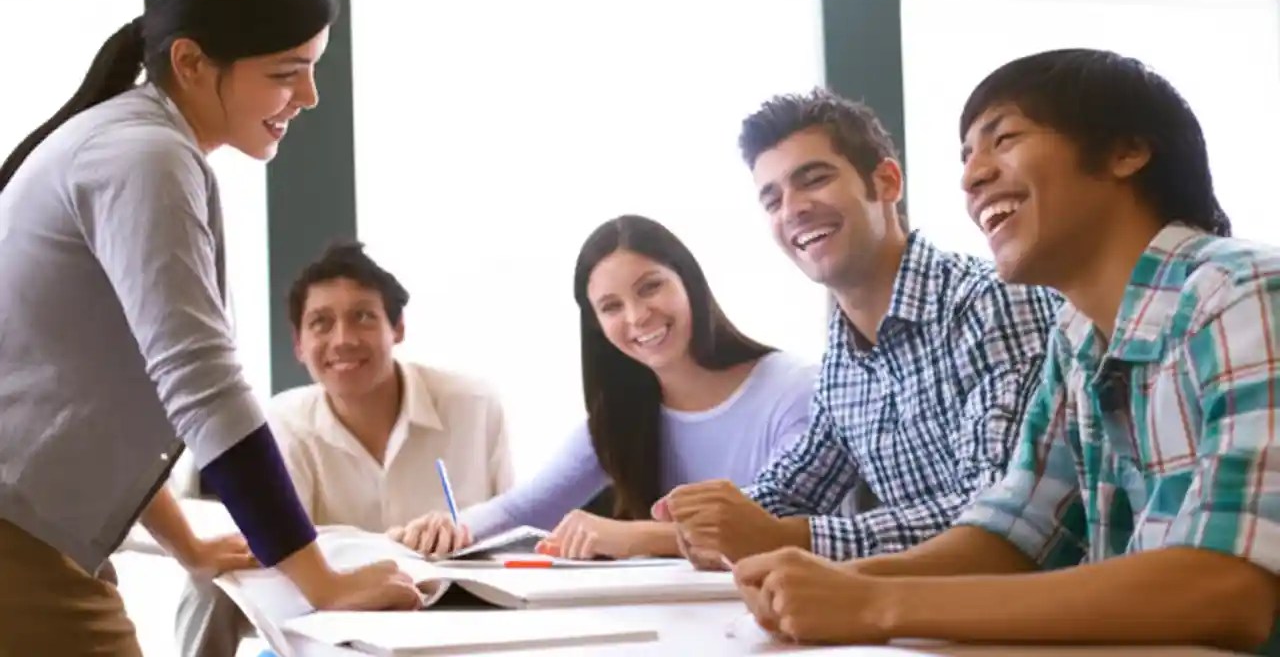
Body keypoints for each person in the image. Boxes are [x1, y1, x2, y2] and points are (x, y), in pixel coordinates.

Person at [731, 48, 1280, 655]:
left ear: (1127, 149)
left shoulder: (1241, 292)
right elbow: (1012, 533)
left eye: (1005, 139)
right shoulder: (1076, 338)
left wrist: (875, 603)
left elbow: (1232, 588)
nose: (971, 178)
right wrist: (839, 582)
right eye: (967, 157)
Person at [0, 0, 418, 653]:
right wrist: (319, 578)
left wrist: (191, 542)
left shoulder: (131, 141)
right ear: (192, 62)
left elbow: (118, 396)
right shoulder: (145, 155)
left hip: (39, 533)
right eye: (288, 72)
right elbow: (200, 380)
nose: (309, 97)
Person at [654, 89, 1061, 567]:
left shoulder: (994, 303)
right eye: (772, 199)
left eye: (814, 179)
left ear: (887, 182)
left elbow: (996, 516)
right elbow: (794, 488)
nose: (793, 210)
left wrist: (790, 536)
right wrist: (700, 521)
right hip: (919, 624)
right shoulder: (843, 355)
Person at [393, 215, 817, 560]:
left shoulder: (791, 390)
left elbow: (773, 528)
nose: (636, 316)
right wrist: (451, 528)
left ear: (687, 280)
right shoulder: (621, 417)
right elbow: (522, 509)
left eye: (650, 287)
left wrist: (633, 537)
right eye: (611, 307)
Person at [175, 241, 512, 657]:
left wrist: (466, 531)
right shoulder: (282, 423)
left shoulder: (474, 405)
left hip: (458, 631)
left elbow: (513, 533)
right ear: (298, 344)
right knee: (210, 578)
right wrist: (388, 546)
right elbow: (275, 554)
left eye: (364, 317)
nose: (344, 340)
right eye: (321, 323)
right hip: (334, 633)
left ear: (398, 328)